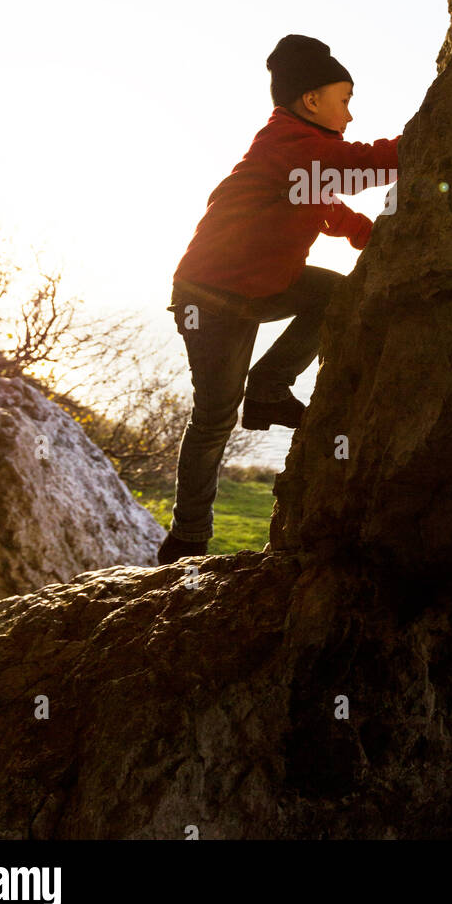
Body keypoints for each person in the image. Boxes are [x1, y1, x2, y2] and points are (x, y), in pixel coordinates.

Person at [157, 34, 401, 564]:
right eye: (346, 100)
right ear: (311, 100)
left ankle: (268, 386)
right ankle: (187, 537)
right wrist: (436, 134)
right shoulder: (294, 143)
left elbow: (326, 207)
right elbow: (370, 162)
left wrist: (371, 236)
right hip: (211, 298)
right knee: (214, 416)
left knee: (336, 294)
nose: (351, 115)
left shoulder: (300, 152)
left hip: (264, 285)